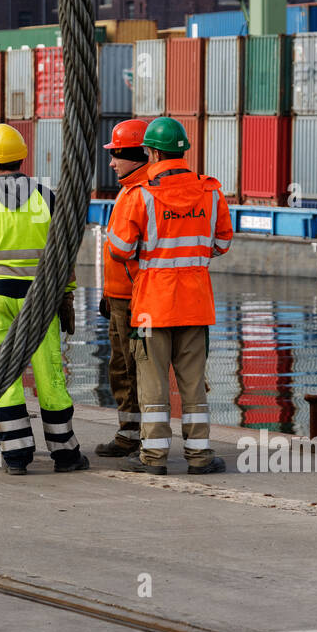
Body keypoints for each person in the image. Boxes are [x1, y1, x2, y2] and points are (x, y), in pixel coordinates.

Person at [0, 122, 88, 476]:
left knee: (4, 374)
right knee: (50, 373)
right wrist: (67, 298)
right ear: (22, 158)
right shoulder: (47, 196)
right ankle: (65, 453)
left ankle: (15, 455)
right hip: (40, 300)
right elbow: (65, 255)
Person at [107, 116, 232, 476]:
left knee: (153, 384)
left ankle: (153, 458)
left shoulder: (140, 194)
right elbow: (222, 242)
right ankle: (199, 456)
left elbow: (119, 248)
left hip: (151, 307)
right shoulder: (210, 191)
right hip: (196, 303)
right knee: (193, 384)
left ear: (151, 151)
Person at [96, 118, 150, 458]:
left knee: (130, 369)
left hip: (133, 298)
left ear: (138, 154)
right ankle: (133, 431)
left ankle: (133, 435)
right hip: (120, 296)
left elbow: (124, 250)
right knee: (123, 366)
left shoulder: (141, 192)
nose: (112, 162)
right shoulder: (130, 189)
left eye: (117, 155)